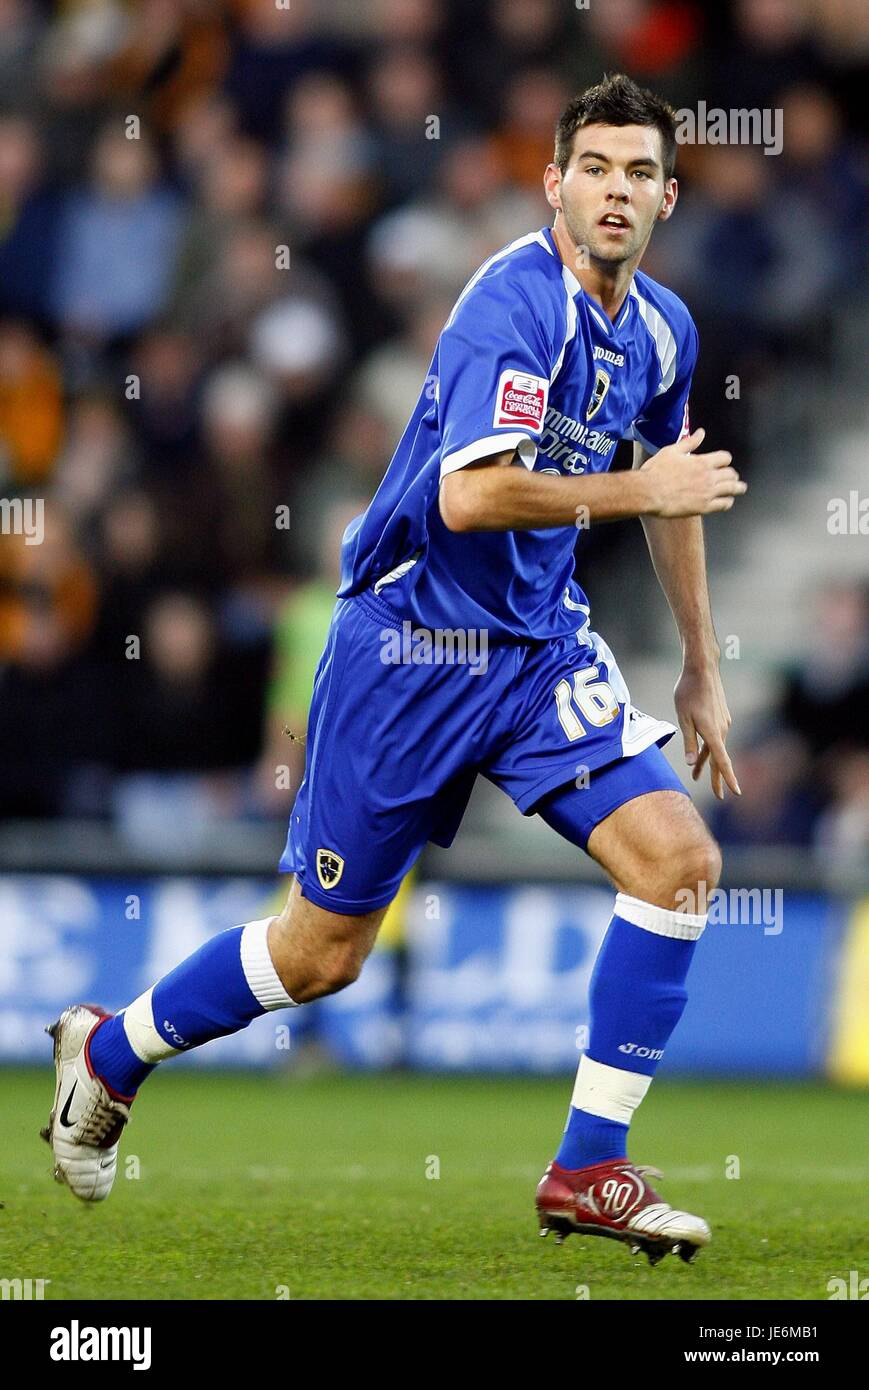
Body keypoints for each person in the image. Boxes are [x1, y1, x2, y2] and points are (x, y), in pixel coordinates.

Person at [43, 75, 746, 1265]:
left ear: (667, 196)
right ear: (553, 184)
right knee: (324, 950)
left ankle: (586, 1169)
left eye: (637, 174)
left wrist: (695, 664)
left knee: (679, 861)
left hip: (532, 650)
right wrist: (637, 488)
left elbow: (669, 494)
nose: (614, 191)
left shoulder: (664, 329)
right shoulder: (507, 305)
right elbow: (470, 496)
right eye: (594, 169)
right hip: (411, 647)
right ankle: (110, 1051)